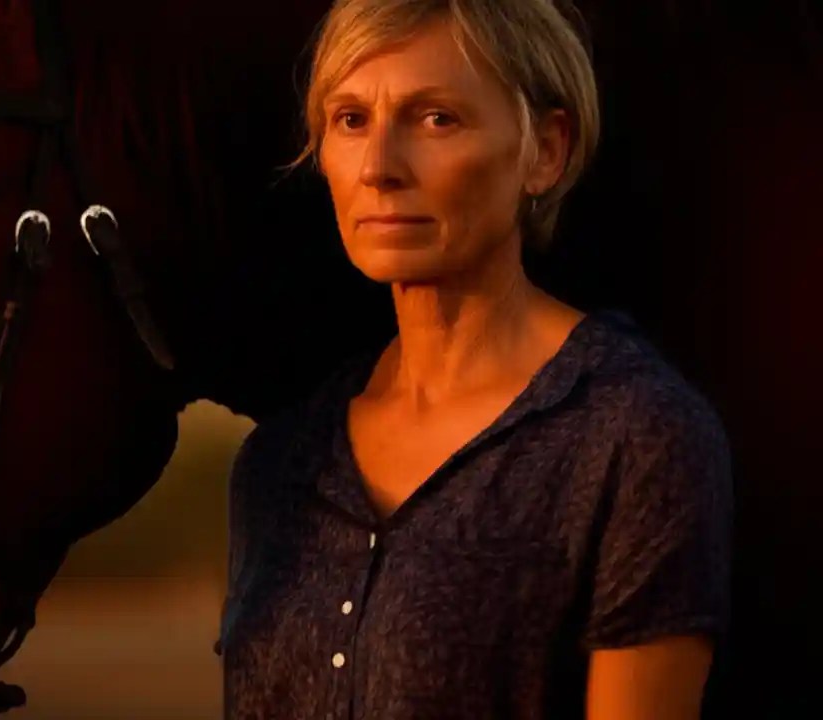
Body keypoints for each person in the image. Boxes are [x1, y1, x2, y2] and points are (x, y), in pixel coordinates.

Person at [217, 1, 733, 718]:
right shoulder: (279, 463)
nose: (379, 168)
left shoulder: (634, 436)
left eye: (436, 119)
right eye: (350, 119)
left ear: (546, 151)